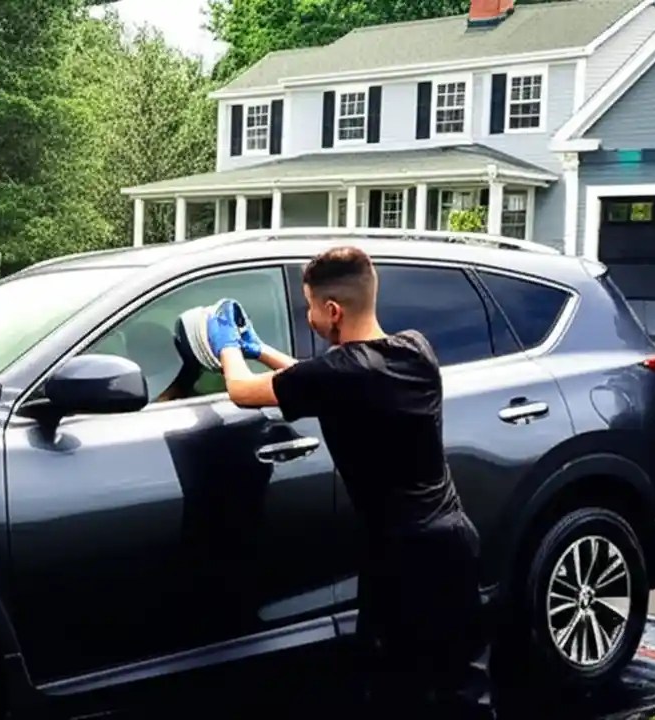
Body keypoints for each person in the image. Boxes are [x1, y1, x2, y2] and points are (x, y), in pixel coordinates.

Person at [203, 246, 495, 718]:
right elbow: (320, 379)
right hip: (455, 544)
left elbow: (241, 392)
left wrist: (229, 348)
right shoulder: (416, 349)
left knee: (395, 691)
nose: (310, 317)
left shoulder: (339, 373)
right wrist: (265, 351)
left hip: (401, 561)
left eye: (311, 307)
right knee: (464, 689)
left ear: (333, 310)